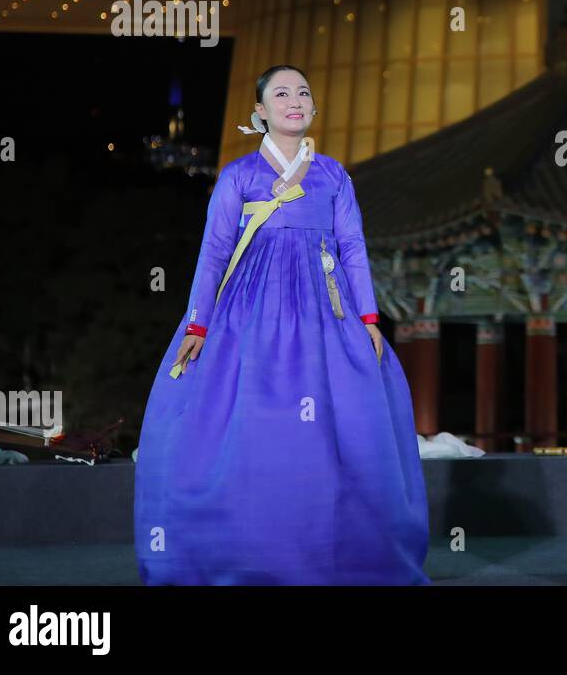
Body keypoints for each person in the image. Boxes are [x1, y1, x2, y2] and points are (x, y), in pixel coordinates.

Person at [134, 65, 430, 584]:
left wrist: (368, 316)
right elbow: (214, 253)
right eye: (281, 93)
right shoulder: (238, 176)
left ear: (313, 109)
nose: (295, 100)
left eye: (304, 93)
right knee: (246, 422)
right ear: (260, 112)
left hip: (325, 309)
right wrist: (198, 326)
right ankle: (241, 552)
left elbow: (353, 247)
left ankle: (338, 549)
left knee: (341, 427)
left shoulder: (334, 175)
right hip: (246, 309)